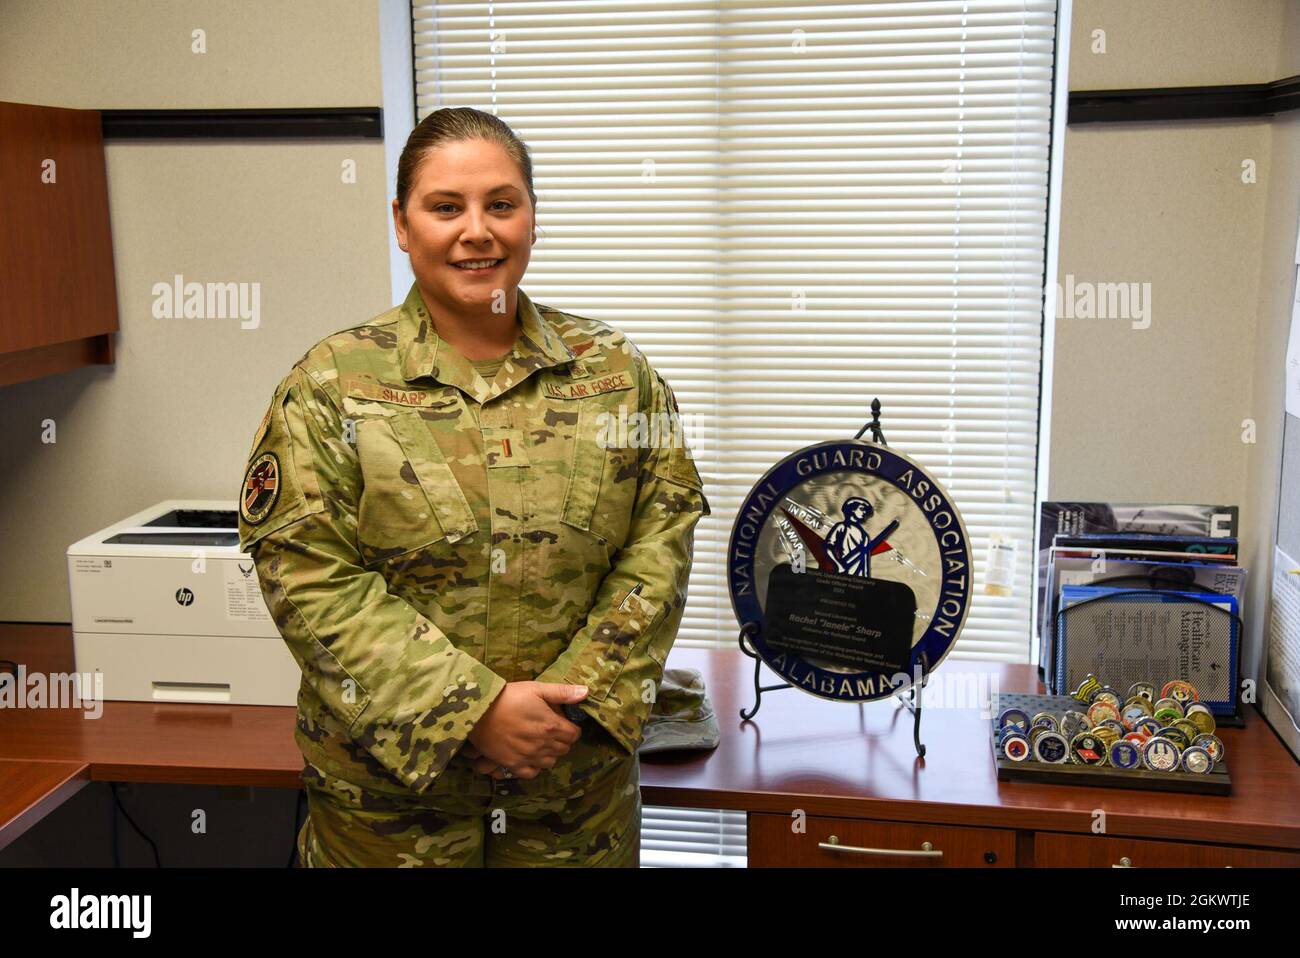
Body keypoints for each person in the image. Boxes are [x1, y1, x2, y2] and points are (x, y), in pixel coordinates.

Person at [236, 107, 709, 867]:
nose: (477, 231)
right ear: (402, 222)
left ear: (531, 218)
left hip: (575, 808)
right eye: (446, 207)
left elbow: (661, 548)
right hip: (389, 821)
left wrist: (565, 707)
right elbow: (306, 572)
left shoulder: (619, 375)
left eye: (501, 204)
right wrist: (475, 710)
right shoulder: (332, 385)